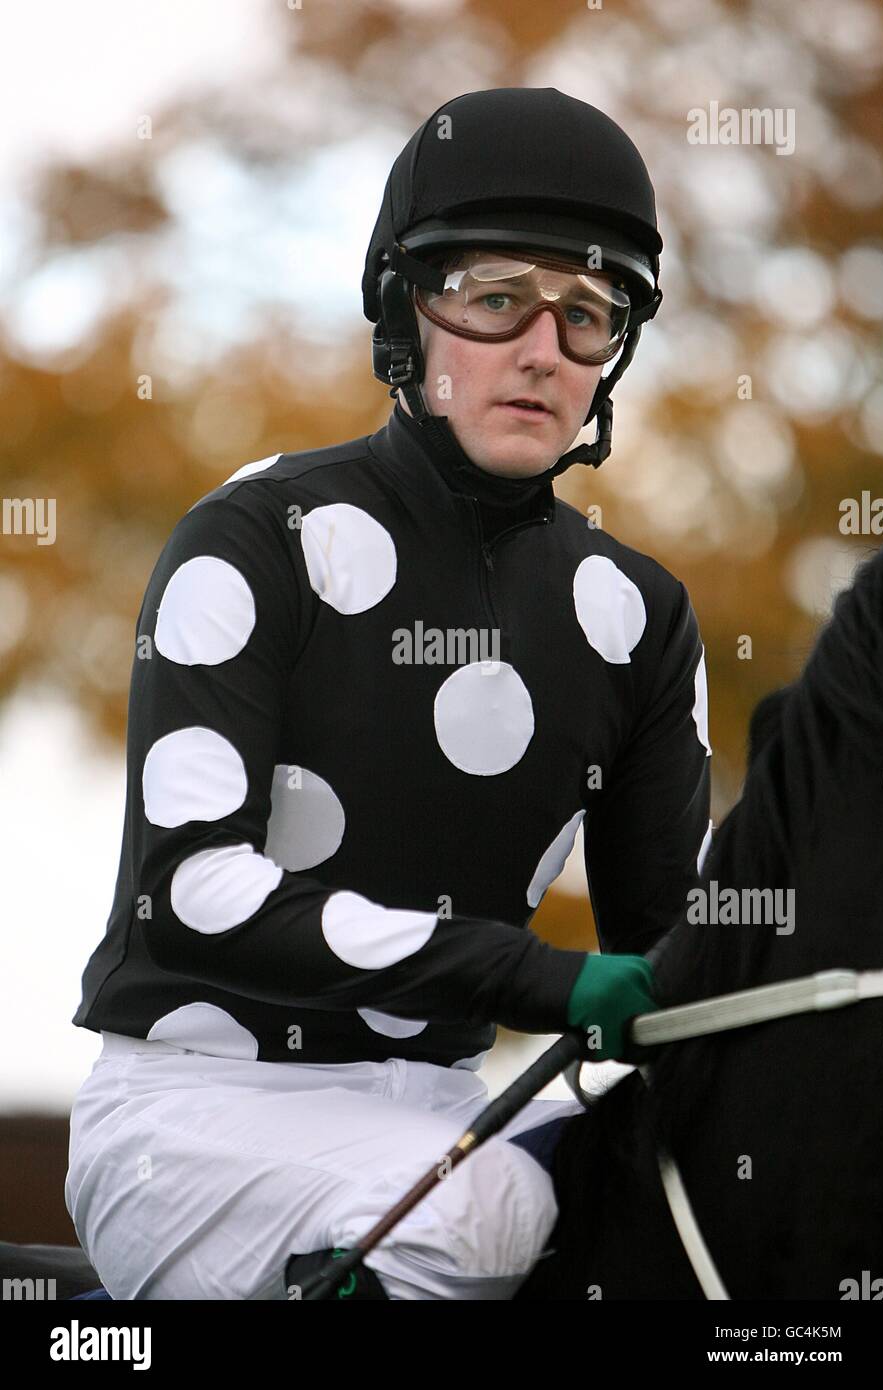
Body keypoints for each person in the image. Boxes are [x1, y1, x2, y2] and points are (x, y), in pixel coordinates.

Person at [63, 87, 711, 1301]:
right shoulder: (253, 535)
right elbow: (191, 894)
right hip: (197, 1118)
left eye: (588, 312)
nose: (541, 351)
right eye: (496, 297)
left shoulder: (643, 616)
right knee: (494, 1211)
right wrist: (531, 976)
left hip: (445, 1112)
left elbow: (672, 950)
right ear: (403, 309)